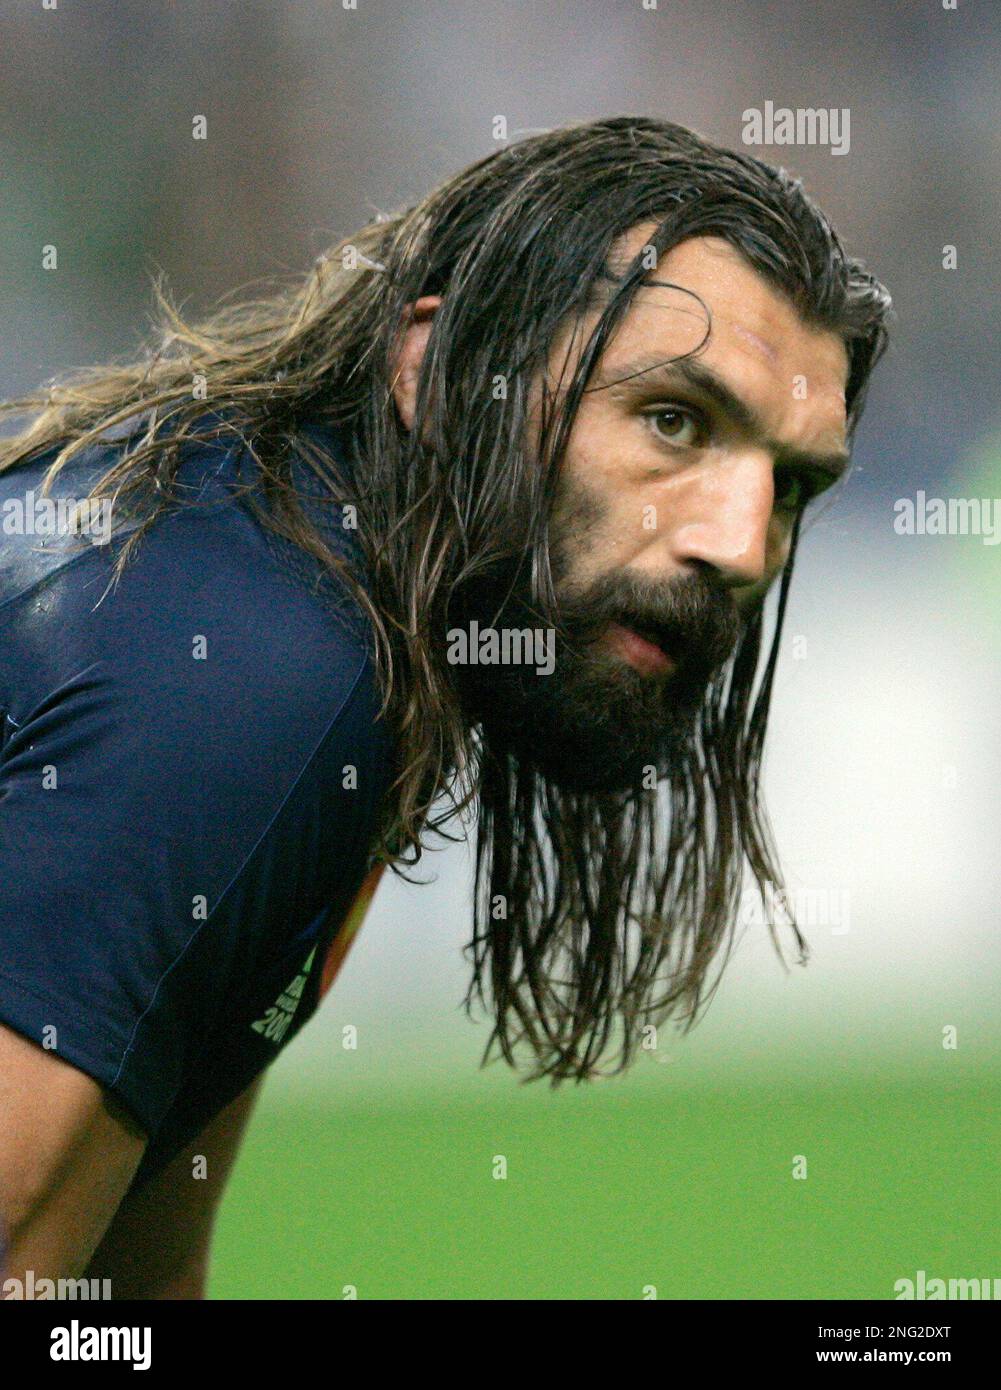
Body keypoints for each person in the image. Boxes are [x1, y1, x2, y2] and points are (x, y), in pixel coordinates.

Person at [0, 116, 891, 1296]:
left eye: (790, 483)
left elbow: (123, 1293)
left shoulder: (310, 609)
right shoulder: (255, 682)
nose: (739, 543)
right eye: (672, 420)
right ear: (440, 368)